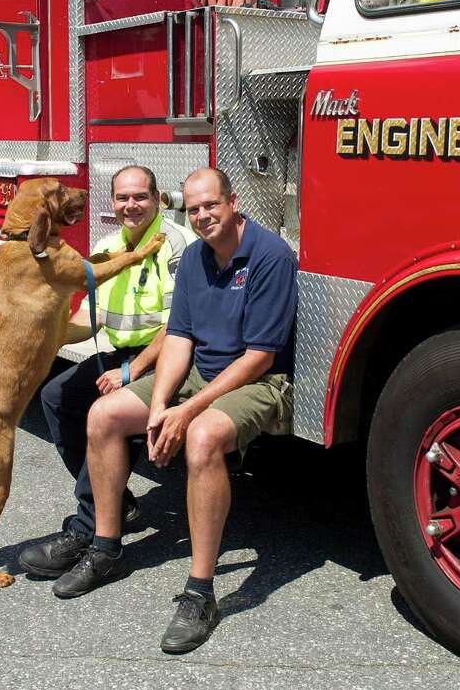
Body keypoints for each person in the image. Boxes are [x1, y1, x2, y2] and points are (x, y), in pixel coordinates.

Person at [52, 167, 296, 655]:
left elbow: (260, 357)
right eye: (194, 208)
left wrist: (186, 414)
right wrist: (161, 404)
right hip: (197, 372)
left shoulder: (270, 256)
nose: (203, 216)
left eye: (211, 205)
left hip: (259, 380)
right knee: (104, 415)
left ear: (232, 201)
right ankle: (105, 548)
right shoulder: (193, 259)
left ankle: (200, 592)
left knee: (202, 437)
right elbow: (179, 338)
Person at [19, 165, 193, 580]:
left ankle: (87, 527)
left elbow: (179, 325)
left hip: (166, 357)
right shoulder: (107, 243)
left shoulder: (177, 245)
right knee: (56, 397)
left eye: (139, 197)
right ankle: (115, 502)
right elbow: (89, 318)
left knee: (107, 413)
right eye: (122, 198)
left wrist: (132, 370)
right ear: (112, 202)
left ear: (156, 199)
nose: (130, 206)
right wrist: (46, 332)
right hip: (120, 354)